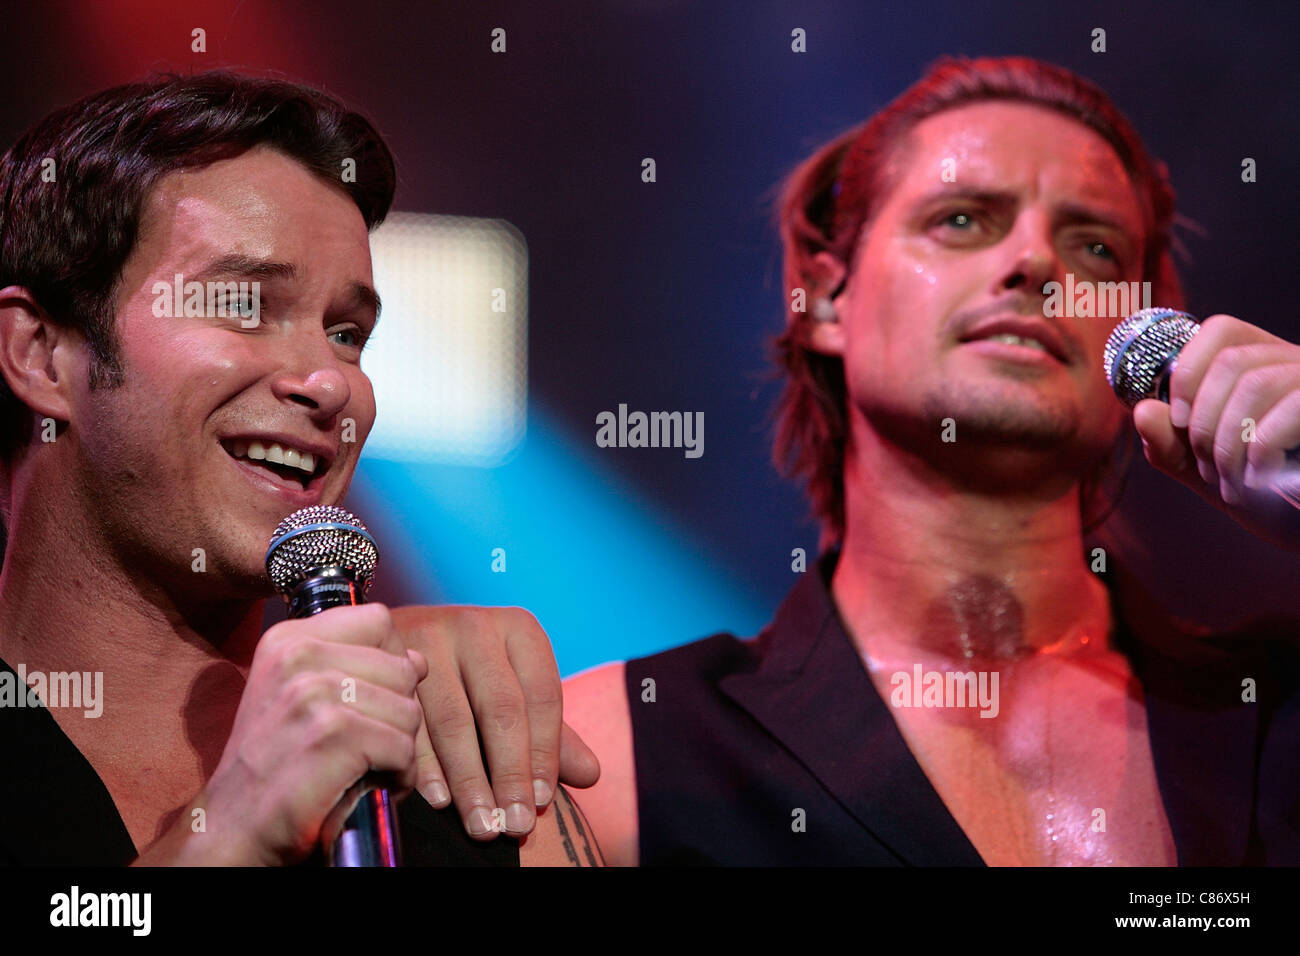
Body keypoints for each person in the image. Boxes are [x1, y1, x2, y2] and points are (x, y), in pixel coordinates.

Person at [558, 56, 1300, 866]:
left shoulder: (1278, 710)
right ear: (829, 299)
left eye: (1095, 247)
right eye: (963, 219)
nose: (1039, 264)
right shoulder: (609, 751)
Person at [0, 71, 601, 866]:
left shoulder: (463, 781)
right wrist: (230, 829)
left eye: (348, 334)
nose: (329, 382)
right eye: (243, 306)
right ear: (42, 355)